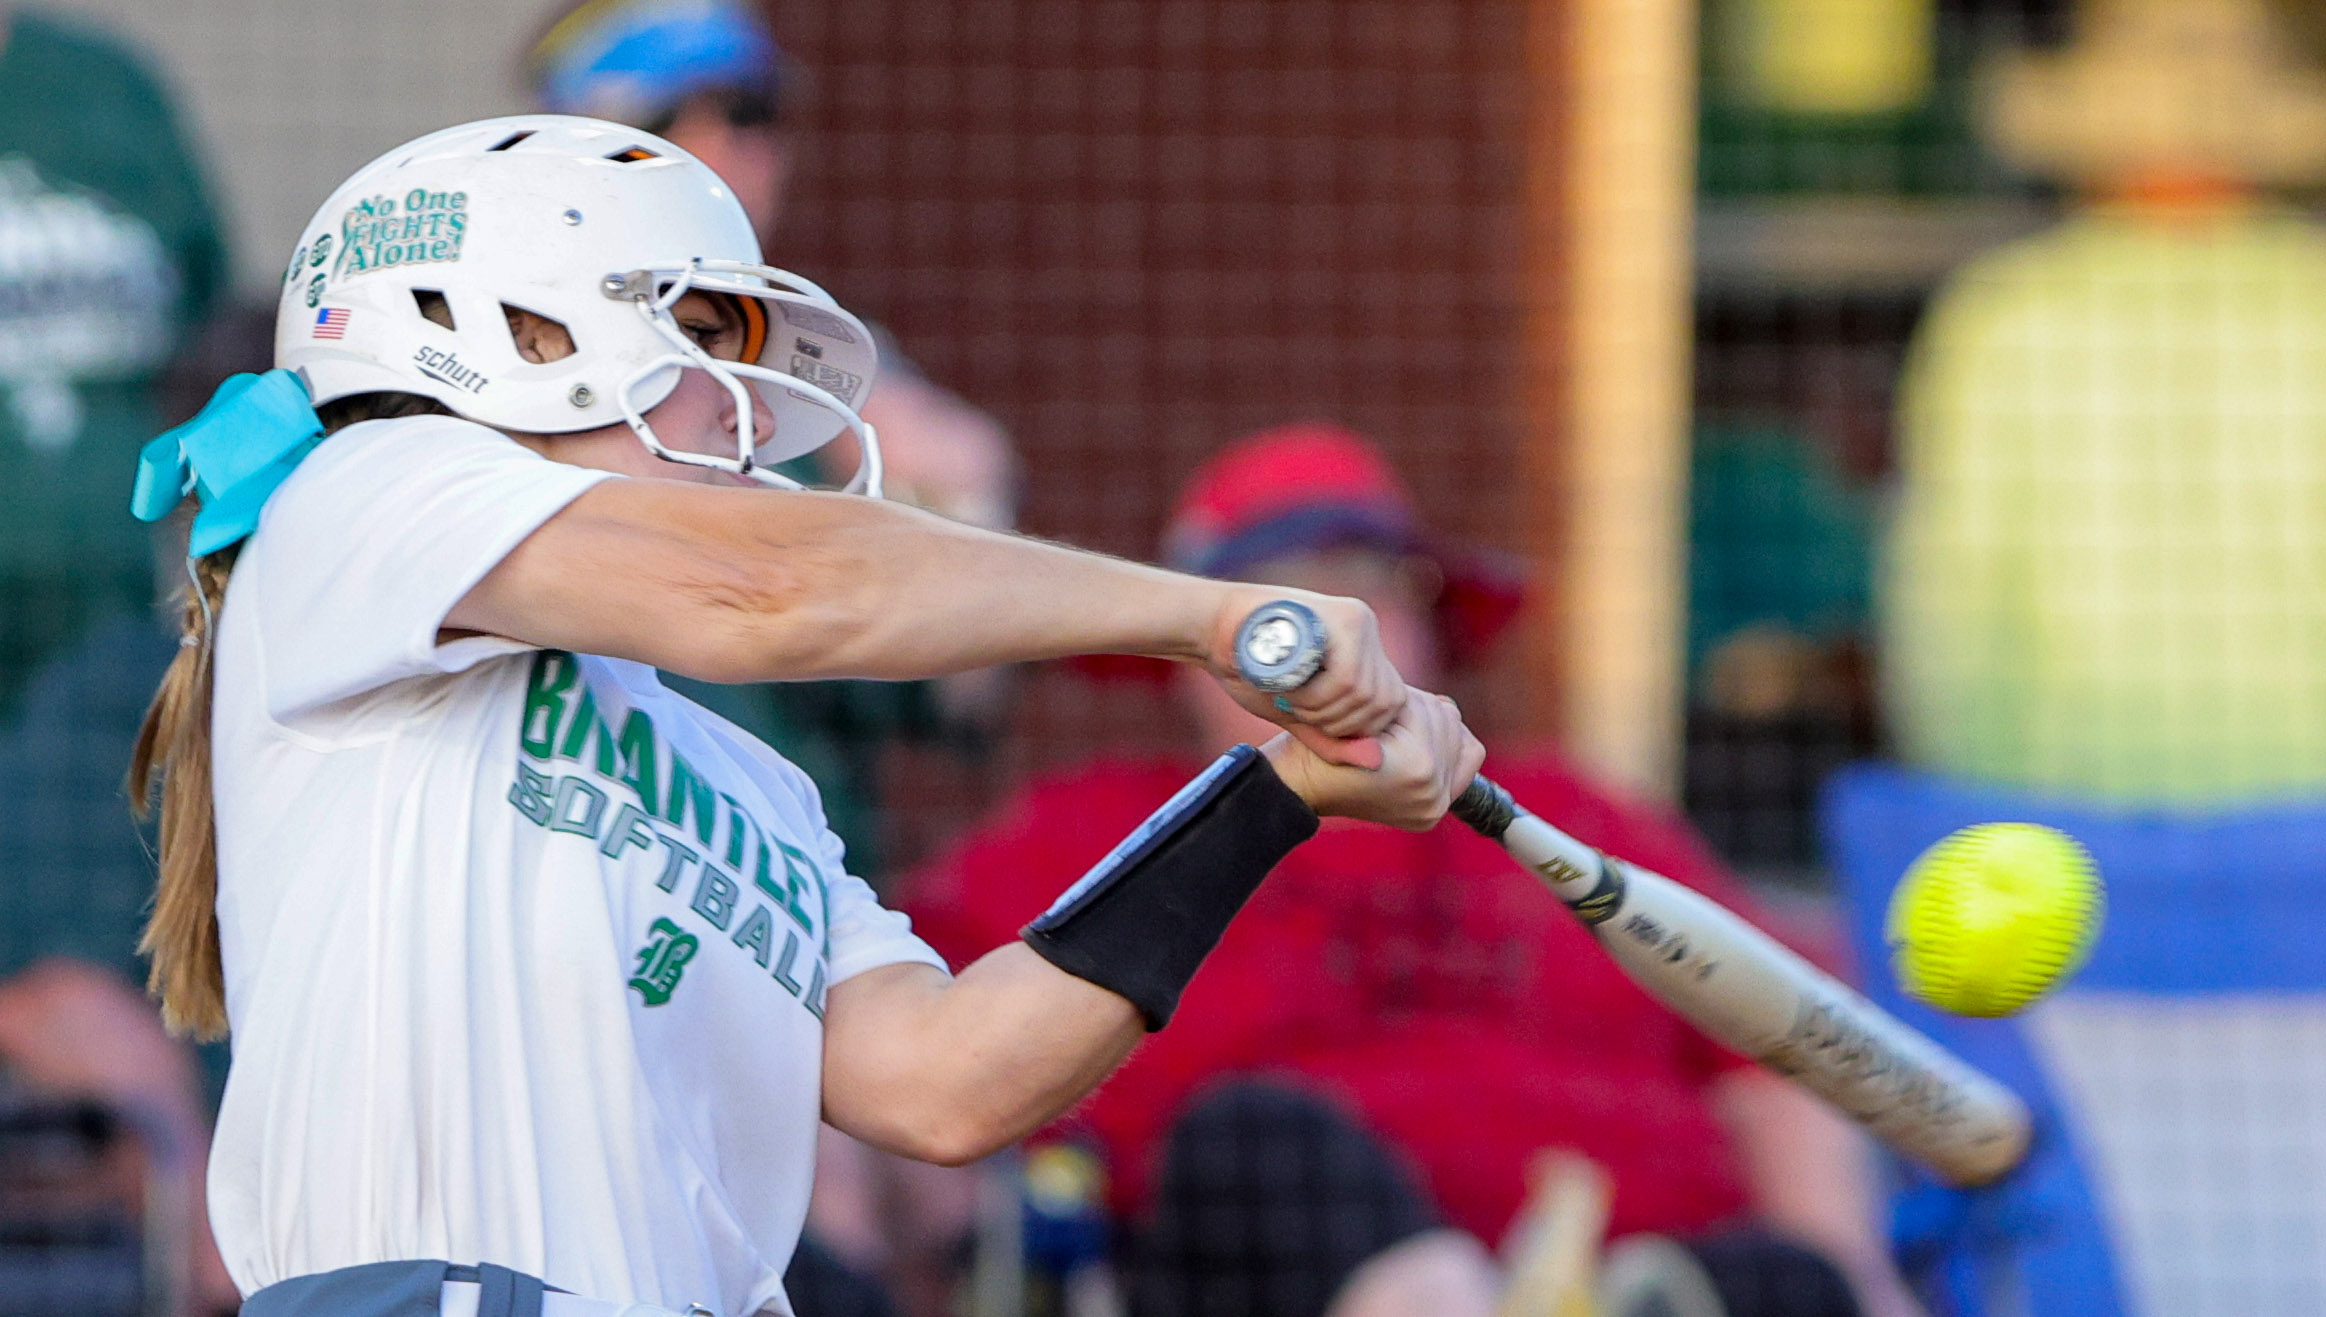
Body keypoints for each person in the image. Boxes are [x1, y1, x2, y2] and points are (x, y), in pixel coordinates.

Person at [126, 115, 1477, 1316]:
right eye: (694, 331)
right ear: (500, 332)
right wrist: (1219, 616)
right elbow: (770, 585)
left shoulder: (739, 772)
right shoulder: (357, 497)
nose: (740, 400)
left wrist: (1274, 792)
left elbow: (946, 1081)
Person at [903, 424, 1922, 1317]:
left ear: (1429, 630)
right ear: (1206, 651)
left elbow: (1766, 1041)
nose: (1343, 635)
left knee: (1797, 1281)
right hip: (1275, 1264)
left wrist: (1857, 1270)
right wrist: (943, 1244)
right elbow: (884, 1026)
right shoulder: (1089, 827)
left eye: (1376, 589)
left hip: (1626, 1268)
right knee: (1257, 1143)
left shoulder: (1570, 813)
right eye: (1287, 605)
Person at [525, 0, 1018, 871]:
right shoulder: (481, 344)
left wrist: (967, 510)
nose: (723, 148)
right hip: (556, 856)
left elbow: (945, 693)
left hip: (781, 887)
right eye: (666, 119)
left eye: (751, 113)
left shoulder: (825, 363)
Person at [1886, 0, 2326, 804]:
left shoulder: (2005, 309)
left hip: (2064, 807)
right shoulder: (2312, 298)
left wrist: (1961, 786)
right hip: (2304, 805)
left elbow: (1949, 597)